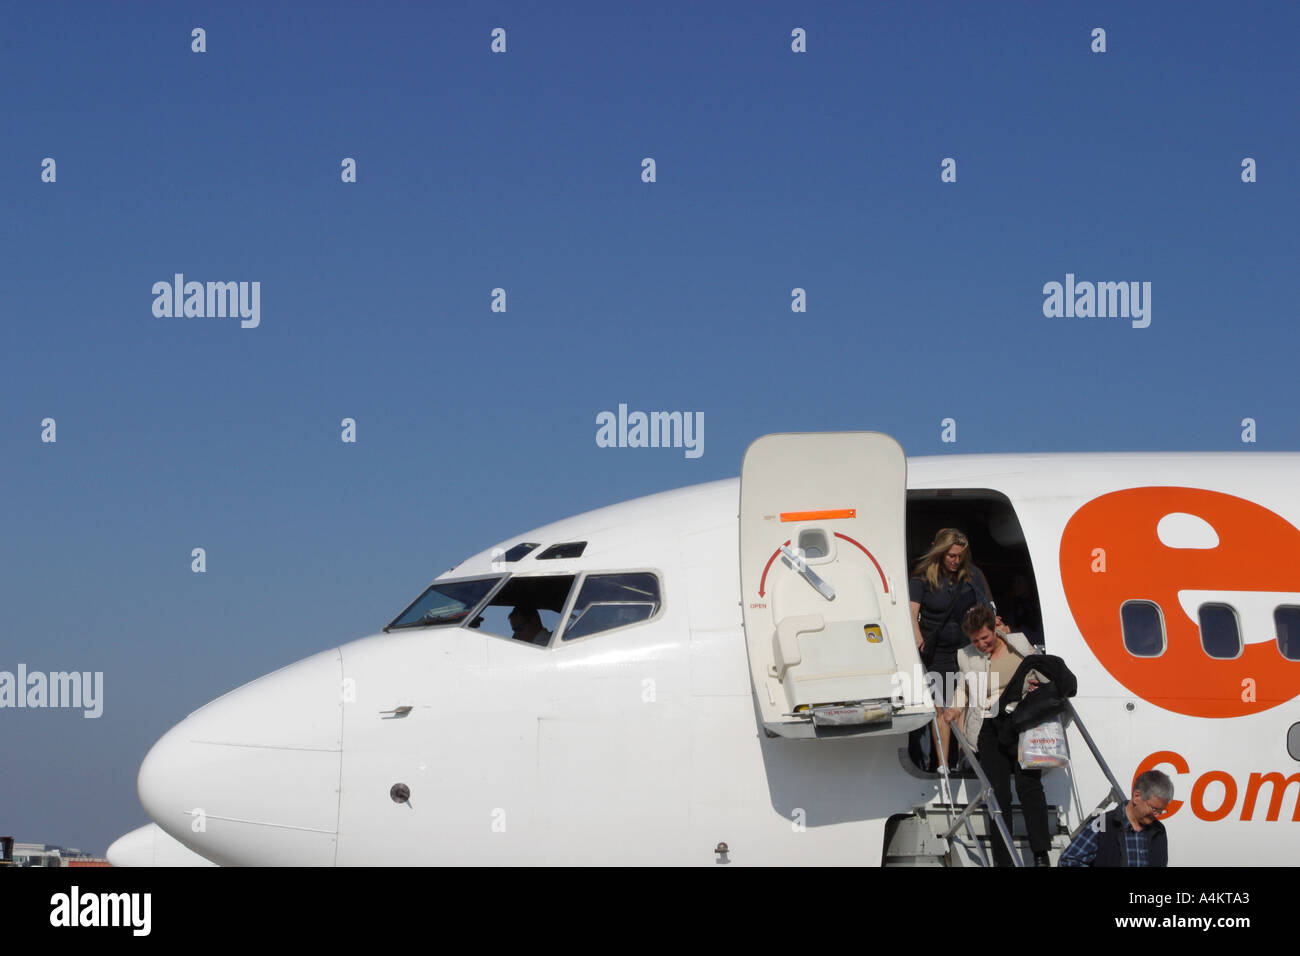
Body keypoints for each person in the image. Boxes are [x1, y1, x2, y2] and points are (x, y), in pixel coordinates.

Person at [943, 604, 1051, 866]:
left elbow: (1042, 670)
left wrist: (1037, 683)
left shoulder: (1018, 644)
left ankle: (1040, 853)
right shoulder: (966, 656)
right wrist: (955, 708)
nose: (981, 644)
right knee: (997, 793)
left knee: (1029, 786)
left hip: (1022, 721)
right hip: (989, 726)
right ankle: (1003, 860)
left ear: (995, 630)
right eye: (975, 640)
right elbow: (964, 687)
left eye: (985, 637)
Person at [909, 529, 995, 771]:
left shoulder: (970, 576)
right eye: (951, 556)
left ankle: (962, 760)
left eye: (960, 556)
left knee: (964, 705)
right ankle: (943, 763)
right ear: (940, 554)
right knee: (942, 707)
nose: (956, 561)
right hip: (937, 651)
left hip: (965, 649)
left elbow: (985, 607)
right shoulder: (922, 579)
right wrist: (917, 635)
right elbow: (912, 612)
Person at [1058, 770, 1173, 867]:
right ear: (1136, 796)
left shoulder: (1159, 831)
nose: (1158, 815)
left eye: (1161, 811)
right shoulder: (1102, 823)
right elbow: (1069, 862)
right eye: (1154, 809)